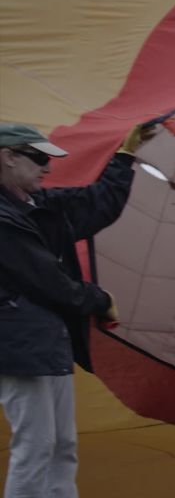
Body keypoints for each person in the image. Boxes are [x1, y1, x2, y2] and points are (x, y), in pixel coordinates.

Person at [0, 122, 153, 498]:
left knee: (61, 447)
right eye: (38, 158)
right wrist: (99, 300)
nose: (47, 168)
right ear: (7, 157)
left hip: (49, 342)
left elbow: (95, 203)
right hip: (19, 347)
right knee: (35, 448)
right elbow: (46, 280)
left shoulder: (36, 205)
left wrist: (124, 156)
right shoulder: (5, 219)